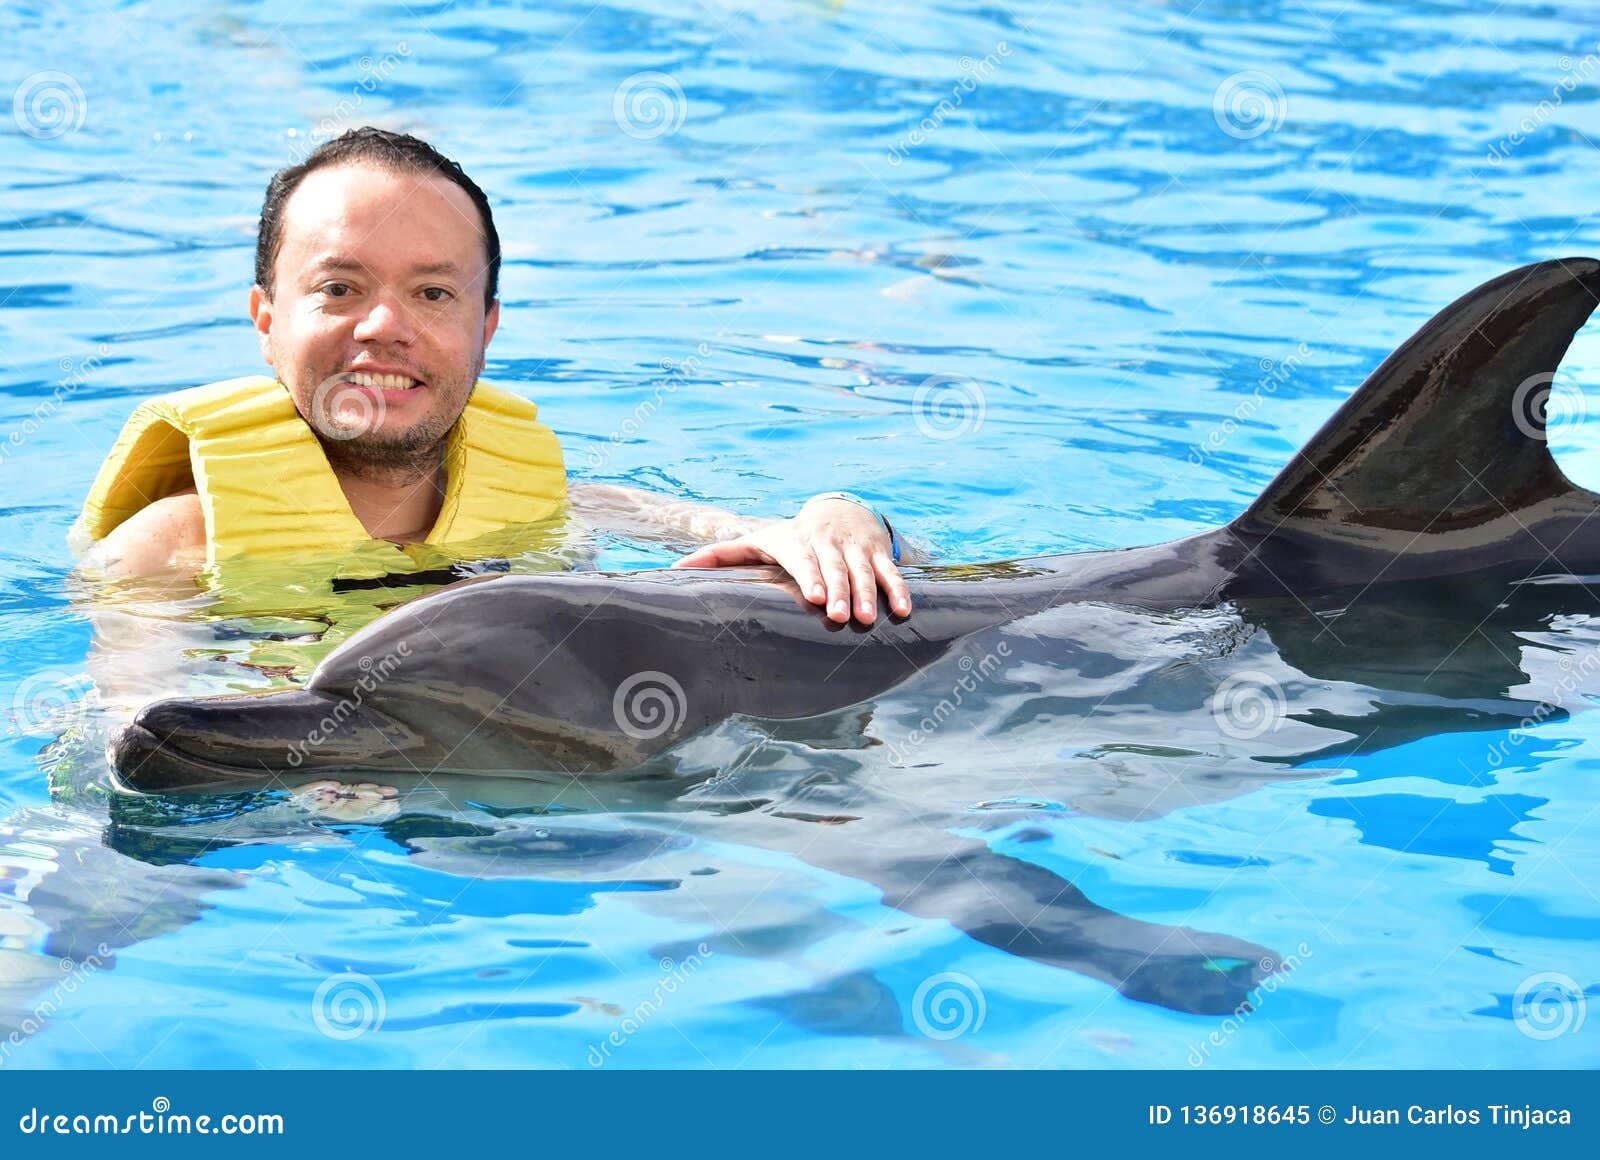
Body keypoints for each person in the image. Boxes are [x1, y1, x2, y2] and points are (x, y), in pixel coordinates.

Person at [76, 128, 912, 627]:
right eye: (339, 289)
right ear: (267, 322)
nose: (383, 327)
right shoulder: (168, 553)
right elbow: (134, 743)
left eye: (433, 292)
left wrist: (844, 515)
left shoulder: (557, 507)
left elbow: (784, 539)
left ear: (487, 328)